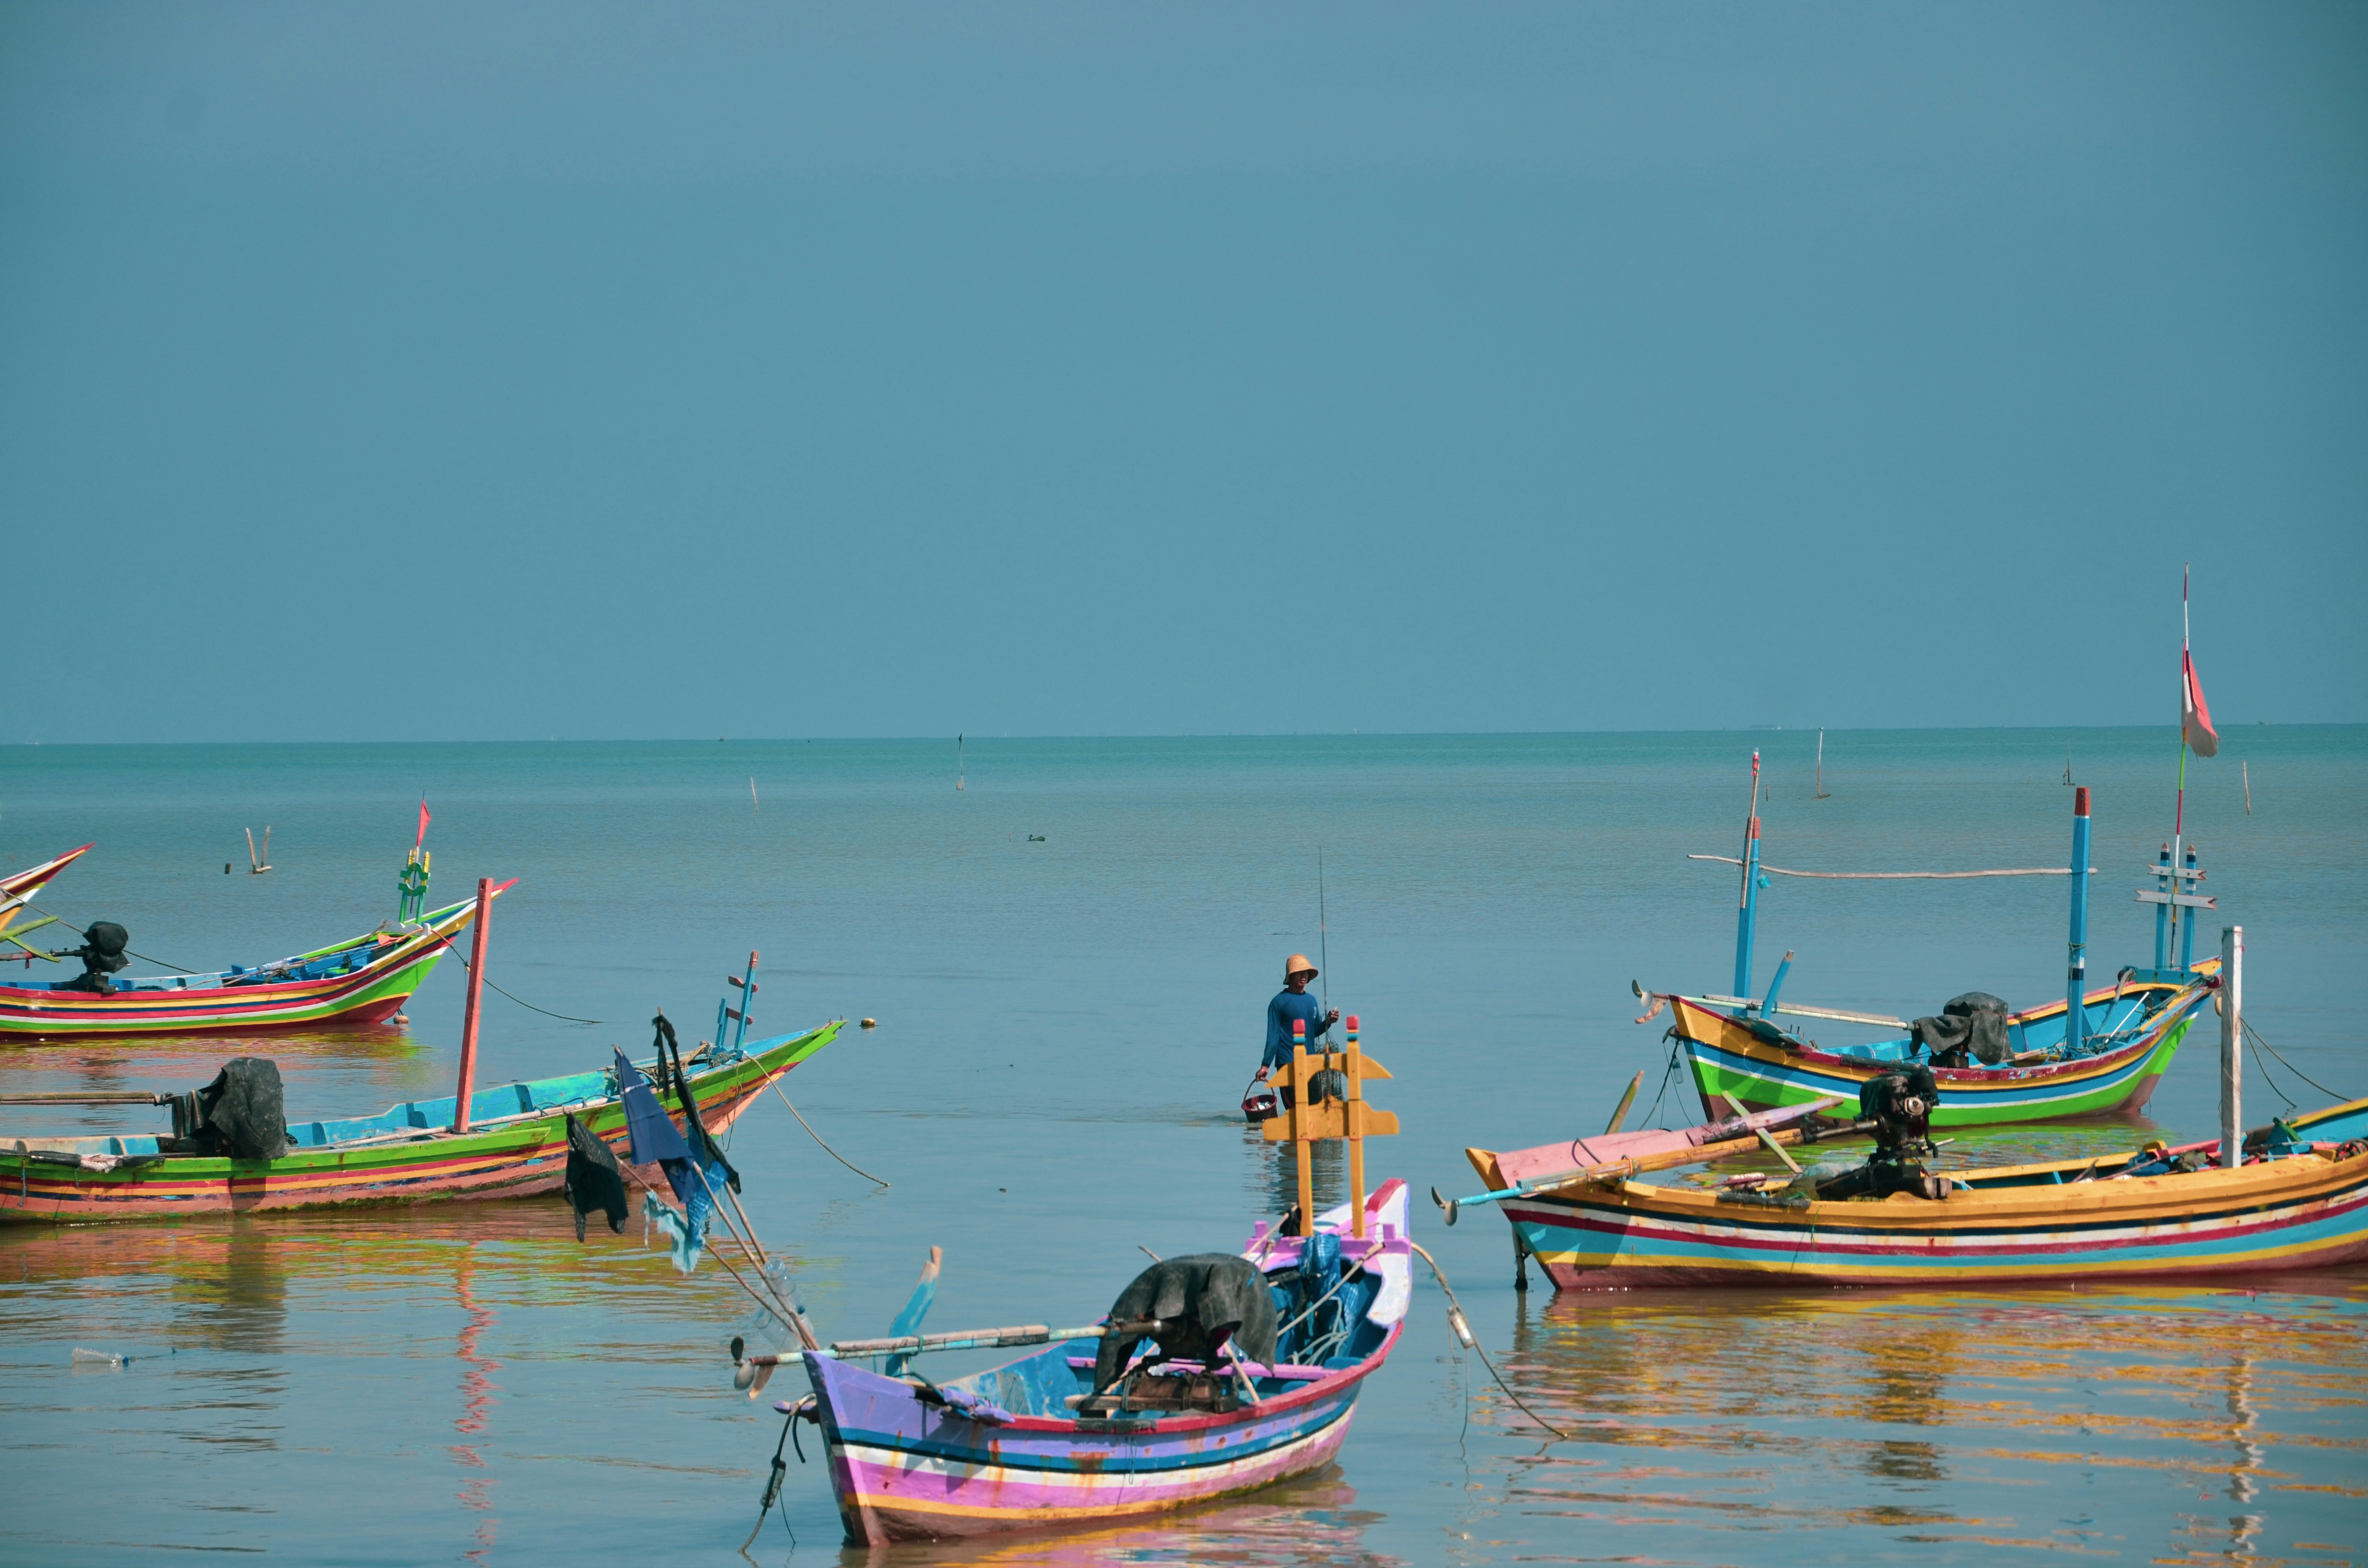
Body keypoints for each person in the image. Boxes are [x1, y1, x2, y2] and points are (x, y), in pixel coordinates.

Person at [1255, 955, 1339, 1088]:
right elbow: (1273, 1036)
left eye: (1306, 972)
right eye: (1299, 973)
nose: (1303, 976)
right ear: (1291, 976)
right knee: (1294, 1107)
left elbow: (1314, 1031)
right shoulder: (1278, 1002)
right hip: (1288, 1064)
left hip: (1310, 1063)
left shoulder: (1312, 1000)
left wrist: (1328, 1022)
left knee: (1313, 1106)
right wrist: (1266, 1065)